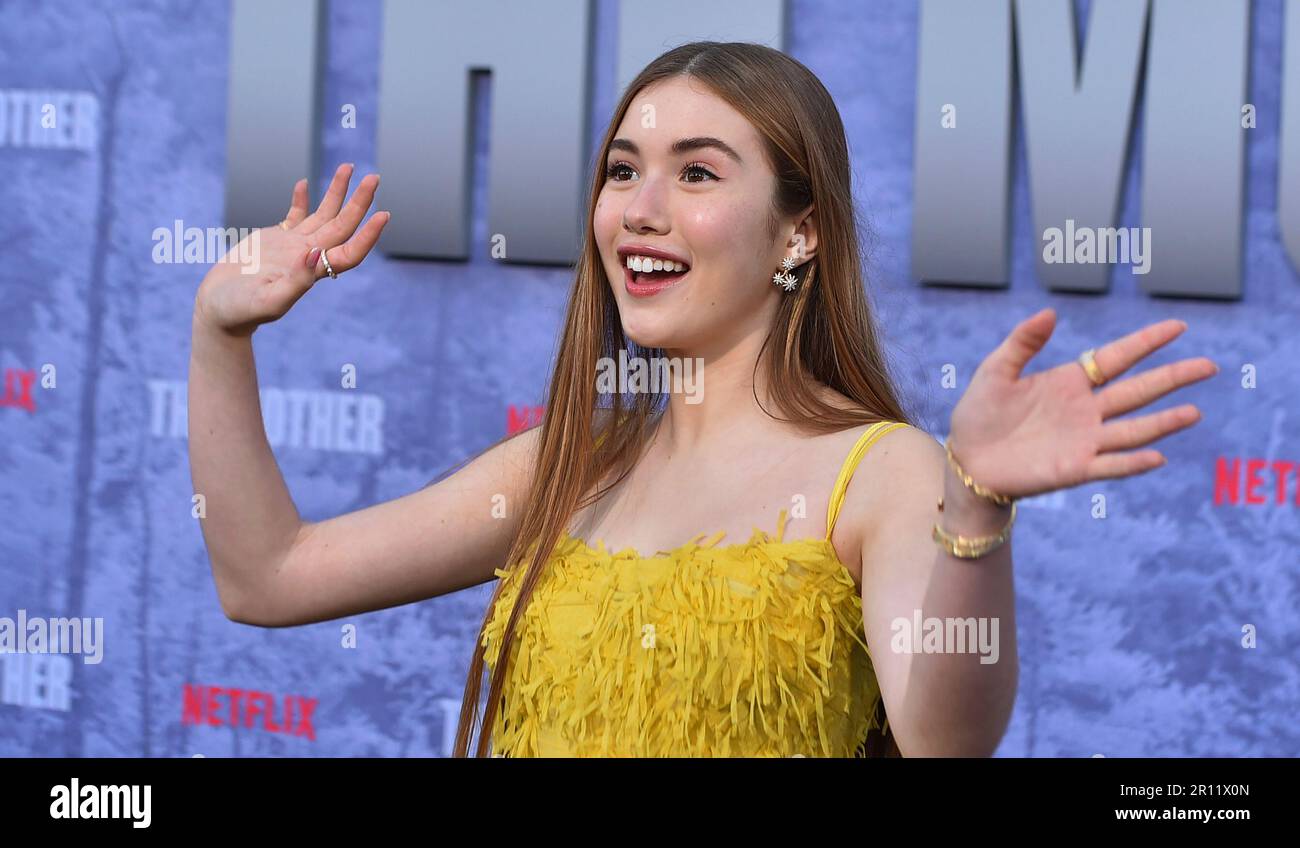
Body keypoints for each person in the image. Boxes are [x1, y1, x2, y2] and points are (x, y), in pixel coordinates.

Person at [189, 41, 1217, 758]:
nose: (640, 209)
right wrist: (219, 332)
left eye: (697, 174)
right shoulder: (564, 465)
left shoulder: (886, 469)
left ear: (798, 232)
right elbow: (268, 577)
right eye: (624, 169)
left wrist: (979, 503)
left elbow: (946, 737)